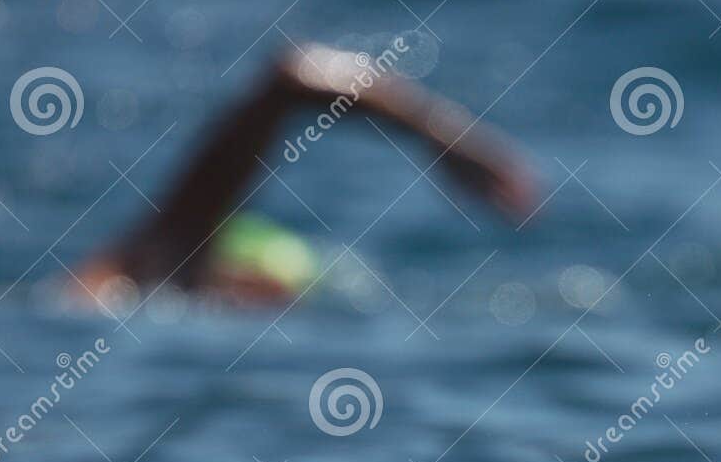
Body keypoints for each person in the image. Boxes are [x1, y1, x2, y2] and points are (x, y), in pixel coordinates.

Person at [70, 42, 536, 307]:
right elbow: (292, 74)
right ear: (233, 273)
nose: (271, 298)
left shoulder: (154, 275)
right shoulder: (161, 256)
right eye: (268, 288)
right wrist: (444, 132)